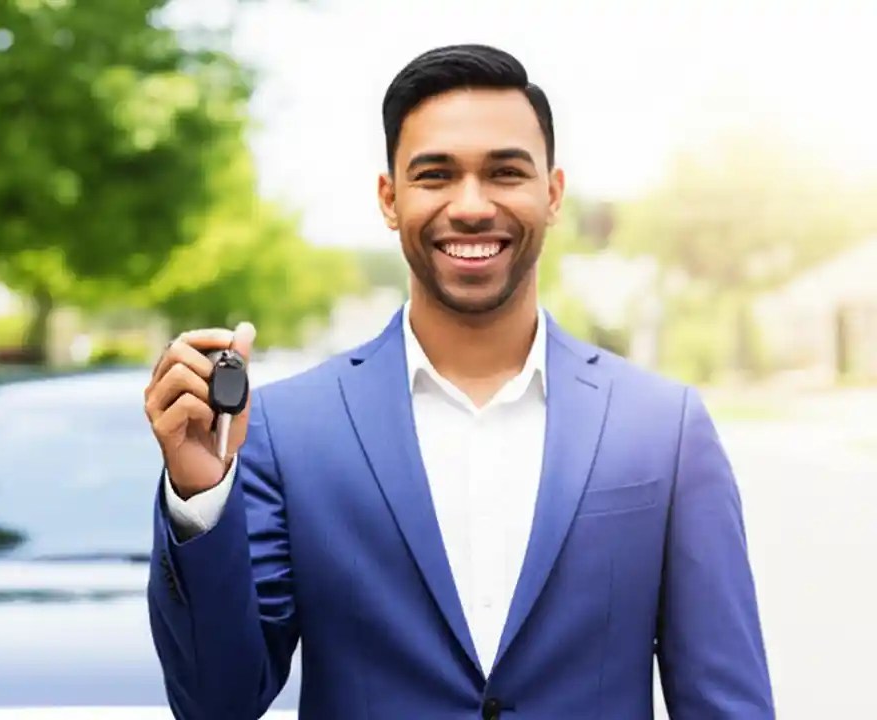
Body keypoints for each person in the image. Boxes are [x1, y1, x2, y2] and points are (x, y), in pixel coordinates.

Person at [142, 43, 774, 720]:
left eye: (505, 172)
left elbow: (725, 704)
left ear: (552, 194)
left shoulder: (662, 426)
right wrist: (198, 495)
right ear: (390, 198)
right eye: (435, 175)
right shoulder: (286, 430)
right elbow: (216, 704)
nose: (471, 206)